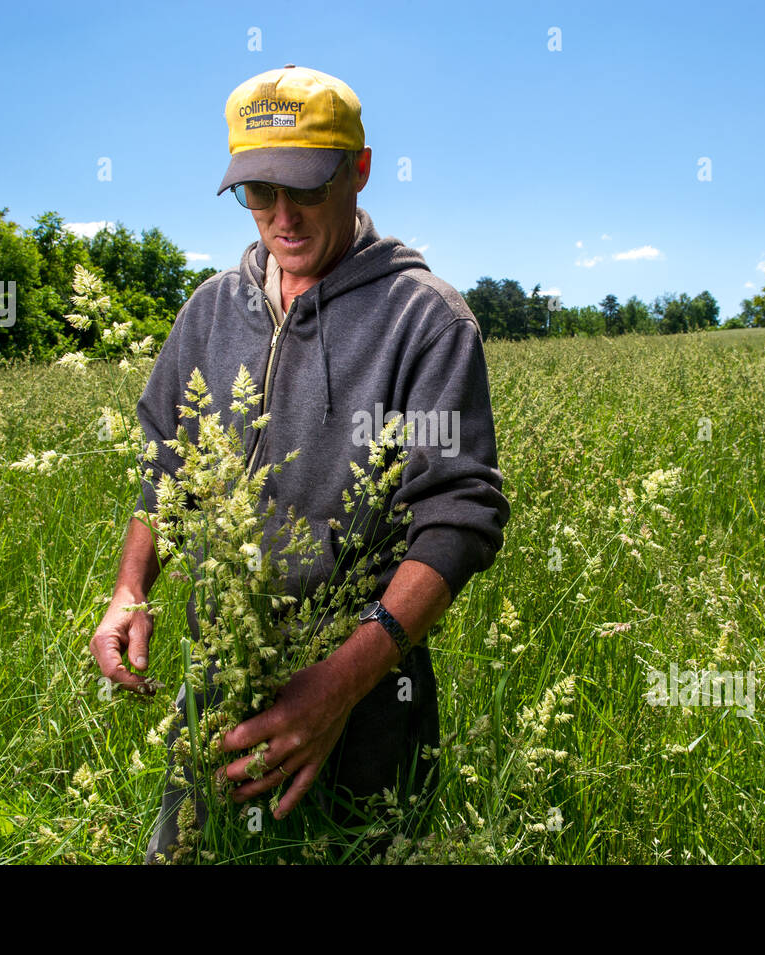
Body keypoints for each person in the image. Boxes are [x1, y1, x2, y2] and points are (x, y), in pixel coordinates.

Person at [87, 64, 510, 863]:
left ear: (359, 170)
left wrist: (342, 684)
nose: (281, 218)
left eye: (307, 190)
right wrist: (130, 589)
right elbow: (167, 468)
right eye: (257, 193)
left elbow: (457, 519)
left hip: (369, 696)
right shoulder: (211, 309)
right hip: (223, 685)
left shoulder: (425, 321)